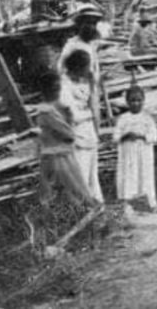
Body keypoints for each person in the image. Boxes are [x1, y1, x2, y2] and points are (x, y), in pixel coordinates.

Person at [35, 71, 96, 207]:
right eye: (55, 88)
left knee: (60, 192)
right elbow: (68, 134)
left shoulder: (49, 109)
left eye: (58, 88)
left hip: (55, 153)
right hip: (59, 157)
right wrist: (69, 119)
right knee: (74, 190)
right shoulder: (48, 112)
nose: (57, 91)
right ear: (47, 90)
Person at [60, 50, 104, 203]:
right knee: (81, 172)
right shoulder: (64, 85)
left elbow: (94, 105)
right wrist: (89, 114)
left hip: (89, 132)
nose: (89, 70)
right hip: (76, 133)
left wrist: (93, 87)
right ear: (77, 67)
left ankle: (96, 203)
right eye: (87, 67)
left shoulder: (84, 82)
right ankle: (82, 206)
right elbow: (70, 114)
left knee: (93, 173)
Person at [113, 86, 157, 213]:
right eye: (132, 100)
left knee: (144, 177)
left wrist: (141, 136)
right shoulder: (123, 119)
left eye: (139, 100)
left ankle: (148, 205)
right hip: (128, 155)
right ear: (127, 102)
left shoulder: (147, 118)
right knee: (128, 177)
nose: (136, 103)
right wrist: (125, 135)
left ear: (143, 101)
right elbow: (115, 137)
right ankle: (128, 205)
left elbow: (154, 136)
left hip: (143, 154)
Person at [57, 5, 102, 80]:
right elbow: (65, 75)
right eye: (88, 23)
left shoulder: (90, 45)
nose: (91, 27)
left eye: (94, 23)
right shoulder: (74, 46)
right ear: (79, 24)